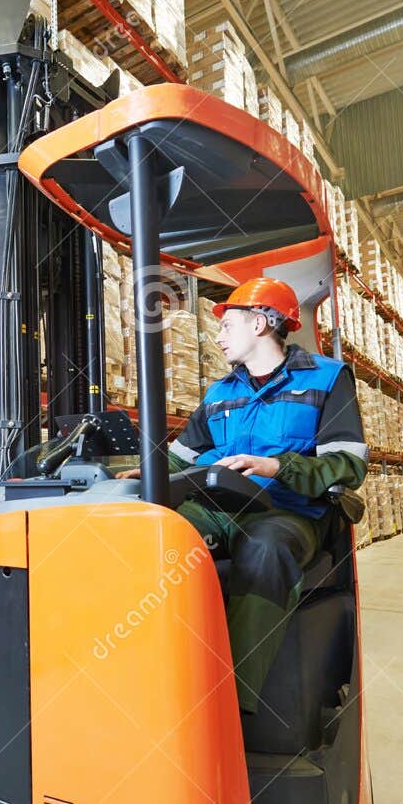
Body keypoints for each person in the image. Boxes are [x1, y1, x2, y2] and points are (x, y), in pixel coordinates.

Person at [121, 278, 368, 712]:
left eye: (227, 325)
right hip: (221, 508)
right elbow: (182, 458)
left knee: (265, 550)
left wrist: (280, 466)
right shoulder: (220, 393)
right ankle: (151, 674)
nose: (218, 336)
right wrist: (140, 474)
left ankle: (229, 705)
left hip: (288, 512)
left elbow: (349, 466)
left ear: (259, 324)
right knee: (157, 534)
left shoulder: (327, 379)